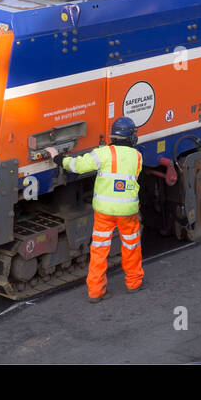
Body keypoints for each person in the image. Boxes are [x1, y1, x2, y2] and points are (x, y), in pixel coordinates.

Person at [50, 117, 144, 302]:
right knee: (131, 246)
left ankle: (95, 292)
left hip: (104, 213)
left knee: (99, 249)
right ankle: (134, 284)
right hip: (127, 212)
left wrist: (59, 159)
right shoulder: (137, 156)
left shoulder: (102, 153)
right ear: (131, 137)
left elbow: (78, 166)